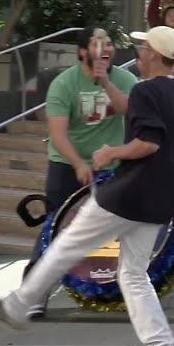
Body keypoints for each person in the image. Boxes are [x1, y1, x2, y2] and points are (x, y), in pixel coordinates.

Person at [0, 26, 174, 346]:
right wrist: (107, 83)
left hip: (130, 192)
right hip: (163, 198)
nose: (138, 52)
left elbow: (149, 142)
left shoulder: (146, 90)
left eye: (143, 47)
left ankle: (17, 307)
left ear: (153, 55)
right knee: (134, 274)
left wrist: (112, 152)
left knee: (66, 244)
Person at [26, 26, 136, 317]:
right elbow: (58, 134)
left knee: (124, 227)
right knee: (57, 226)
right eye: (97, 43)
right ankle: (35, 293)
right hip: (68, 164)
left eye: (110, 43)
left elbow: (133, 112)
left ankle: (123, 289)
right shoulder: (64, 84)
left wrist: (105, 82)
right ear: (83, 52)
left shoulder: (125, 78)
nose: (105, 49)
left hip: (113, 164)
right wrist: (78, 163)